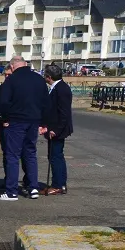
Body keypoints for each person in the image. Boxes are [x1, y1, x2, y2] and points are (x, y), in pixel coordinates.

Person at [0, 57, 48, 200]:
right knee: (30, 154)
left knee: (12, 156)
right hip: (33, 121)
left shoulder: (12, 80)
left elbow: (3, 102)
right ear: (26, 64)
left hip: (15, 121)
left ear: (12, 66)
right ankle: (33, 188)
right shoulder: (39, 80)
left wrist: (4, 118)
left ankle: (11, 191)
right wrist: (43, 122)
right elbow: (46, 103)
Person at [42, 67, 73, 195]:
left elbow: (64, 113)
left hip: (58, 129)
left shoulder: (61, 89)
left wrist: (55, 129)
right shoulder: (57, 87)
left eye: (46, 76)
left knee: (56, 156)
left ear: (49, 77)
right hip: (53, 128)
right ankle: (59, 183)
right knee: (54, 156)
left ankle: (58, 184)